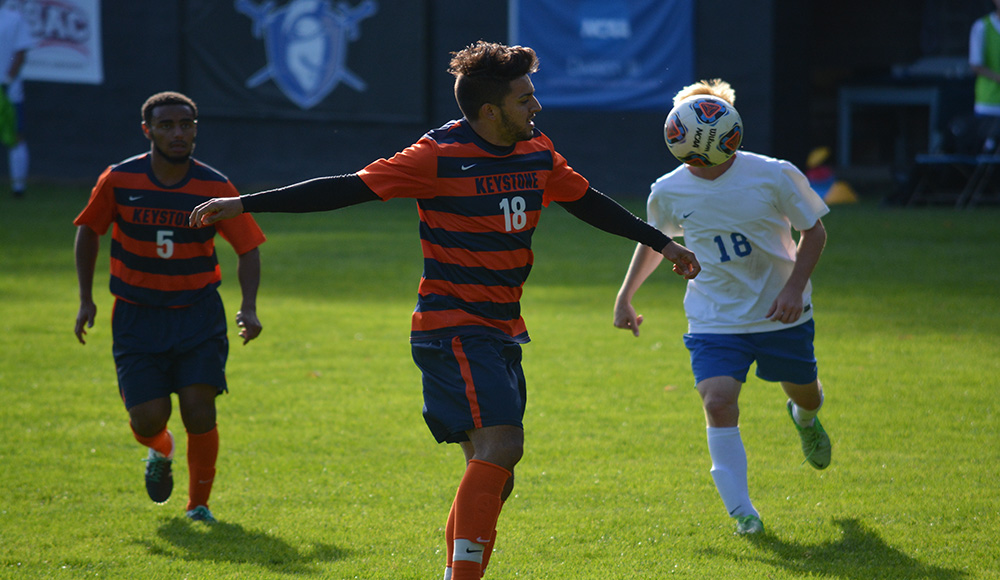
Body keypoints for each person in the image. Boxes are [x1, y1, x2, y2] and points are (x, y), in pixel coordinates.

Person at [189, 41, 699, 579]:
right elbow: (345, 189)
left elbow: (586, 200)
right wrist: (246, 203)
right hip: (451, 326)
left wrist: (662, 243)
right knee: (503, 444)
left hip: (502, 329)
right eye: (525, 99)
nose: (537, 108)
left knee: (497, 476)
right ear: (489, 111)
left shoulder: (537, 151)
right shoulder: (435, 156)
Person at [613, 79, 832, 536]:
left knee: (805, 393)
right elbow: (658, 243)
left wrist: (794, 288)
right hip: (714, 315)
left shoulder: (773, 174)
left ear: (727, 122)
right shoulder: (668, 189)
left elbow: (814, 232)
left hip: (780, 311)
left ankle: (805, 418)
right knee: (717, 400)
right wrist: (626, 295)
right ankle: (742, 512)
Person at [74, 91, 266, 524]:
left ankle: (199, 505)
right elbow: (89, 231)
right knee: (147, 417)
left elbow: (248, 246)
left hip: (197, 313)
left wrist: (248, 307)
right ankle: (161, 450)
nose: (178, 133)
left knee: (200, 407)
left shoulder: (214, 186)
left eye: (186, 125)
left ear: (196, 129)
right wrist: (86, 299)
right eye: (167, 126)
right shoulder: (119, 180)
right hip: (136, 315)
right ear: (148, 131)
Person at [0, 0, 33, 198]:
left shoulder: (14, 19)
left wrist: (7, 80)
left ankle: (18, 187)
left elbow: (20, 53)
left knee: (15, 136)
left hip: (10, 94)